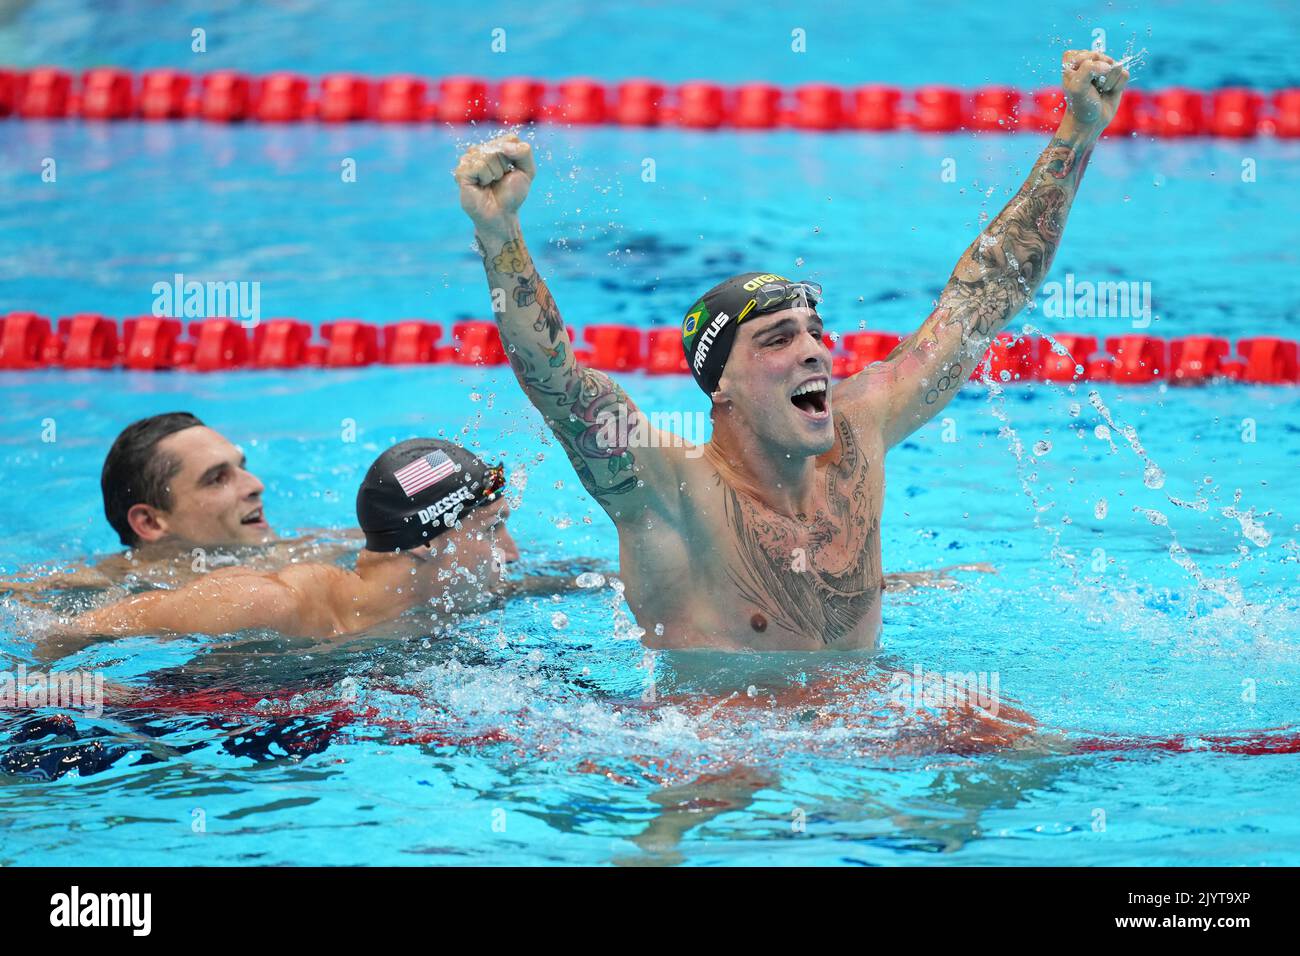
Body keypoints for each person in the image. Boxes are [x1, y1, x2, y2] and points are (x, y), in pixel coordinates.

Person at [453, 50, 1129, 651]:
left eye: (815, 332)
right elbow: (555, 380)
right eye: (778, 339)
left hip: (864, 745)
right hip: (721, 756)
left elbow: (978, 304)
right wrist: (499, 234)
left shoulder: (859, 431)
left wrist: (1078, 132)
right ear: (721, 386)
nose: (814, 352)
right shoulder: (669, 490)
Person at [37, 439, 522, 659]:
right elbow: (82, 628)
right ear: (425, 543)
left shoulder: (450, 600)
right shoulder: (269, 601)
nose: (513, 551)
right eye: (492, 529)